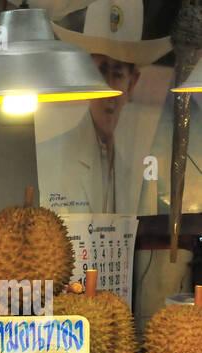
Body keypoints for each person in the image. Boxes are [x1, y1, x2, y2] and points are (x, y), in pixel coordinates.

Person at [39, 0, 168, 216]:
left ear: (132, 83)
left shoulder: (134, 176)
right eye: (100, 71)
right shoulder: (50, 158)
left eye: (117, 74)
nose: (108, 89)